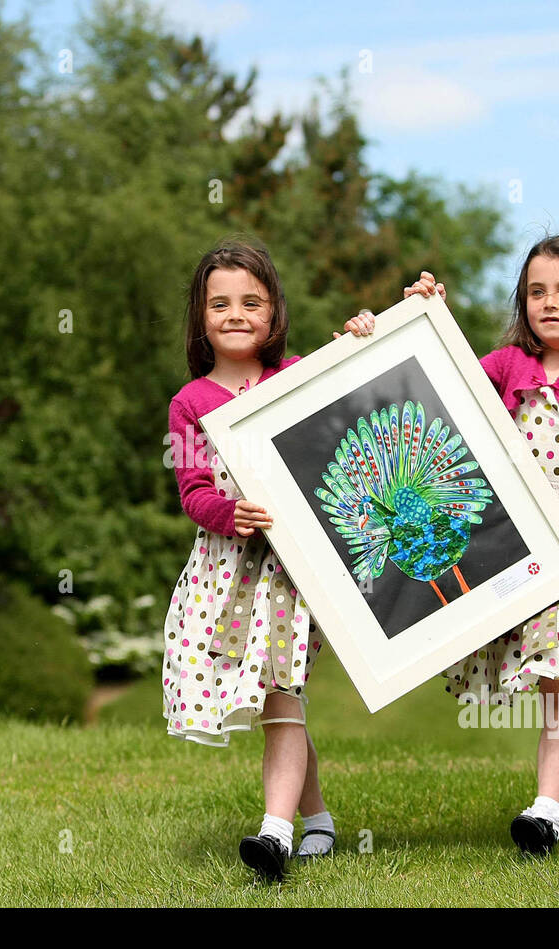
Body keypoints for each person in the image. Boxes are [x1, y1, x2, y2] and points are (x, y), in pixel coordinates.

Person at [339, 234, 559, 856]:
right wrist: (421, 320)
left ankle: (547, 812)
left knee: (558, 664)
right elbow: (445, 390)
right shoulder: (508, 365)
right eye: (536, 292)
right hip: (527, 531)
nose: (549, 303)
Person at [164, 237, 348, 881]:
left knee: (282, 694)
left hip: (289, 574)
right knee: (279, 701)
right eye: (220, 303)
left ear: (273, 313)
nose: (236, 314)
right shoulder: (190, 403)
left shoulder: (291, 376)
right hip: (226, 574)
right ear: (201, 316)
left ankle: (273, 837)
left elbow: (344, 401)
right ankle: (316, 820)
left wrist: (359, 339)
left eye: (252, 301)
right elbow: (193, 492)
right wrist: (228, 513)